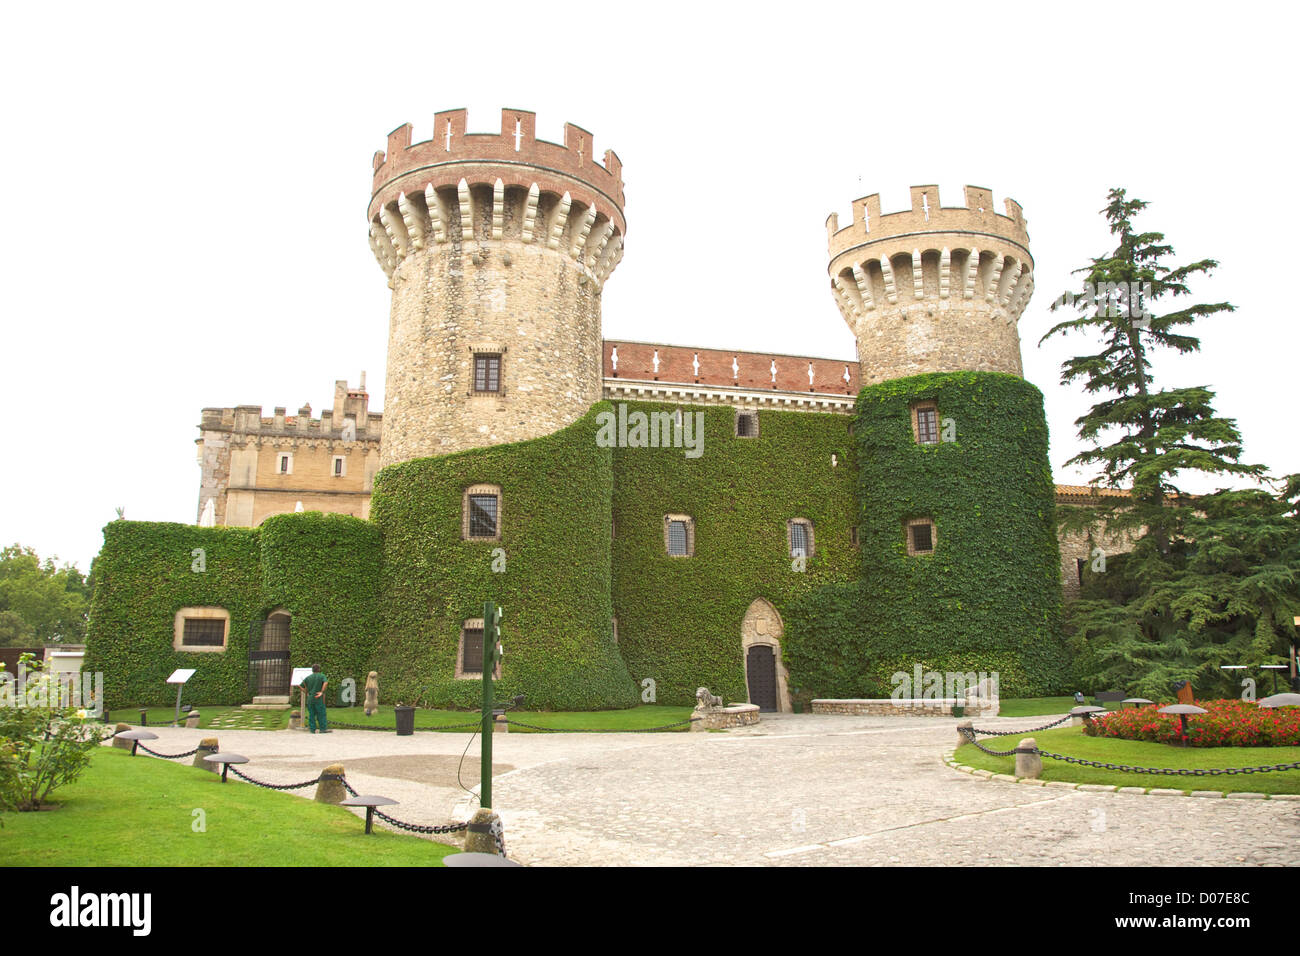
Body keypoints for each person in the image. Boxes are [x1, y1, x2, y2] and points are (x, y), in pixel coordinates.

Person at [300, 665, 330, 734]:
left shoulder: (308, 677)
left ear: (312, 670)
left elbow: (300, 686)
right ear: (319, 669)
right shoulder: (322, 676)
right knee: (321, 713)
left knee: (311, 714)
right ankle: (322, 729)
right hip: (318, 697)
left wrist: (306, 692)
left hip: (310, 698)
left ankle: (312, 729)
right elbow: (325, 682)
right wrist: (321, 692)